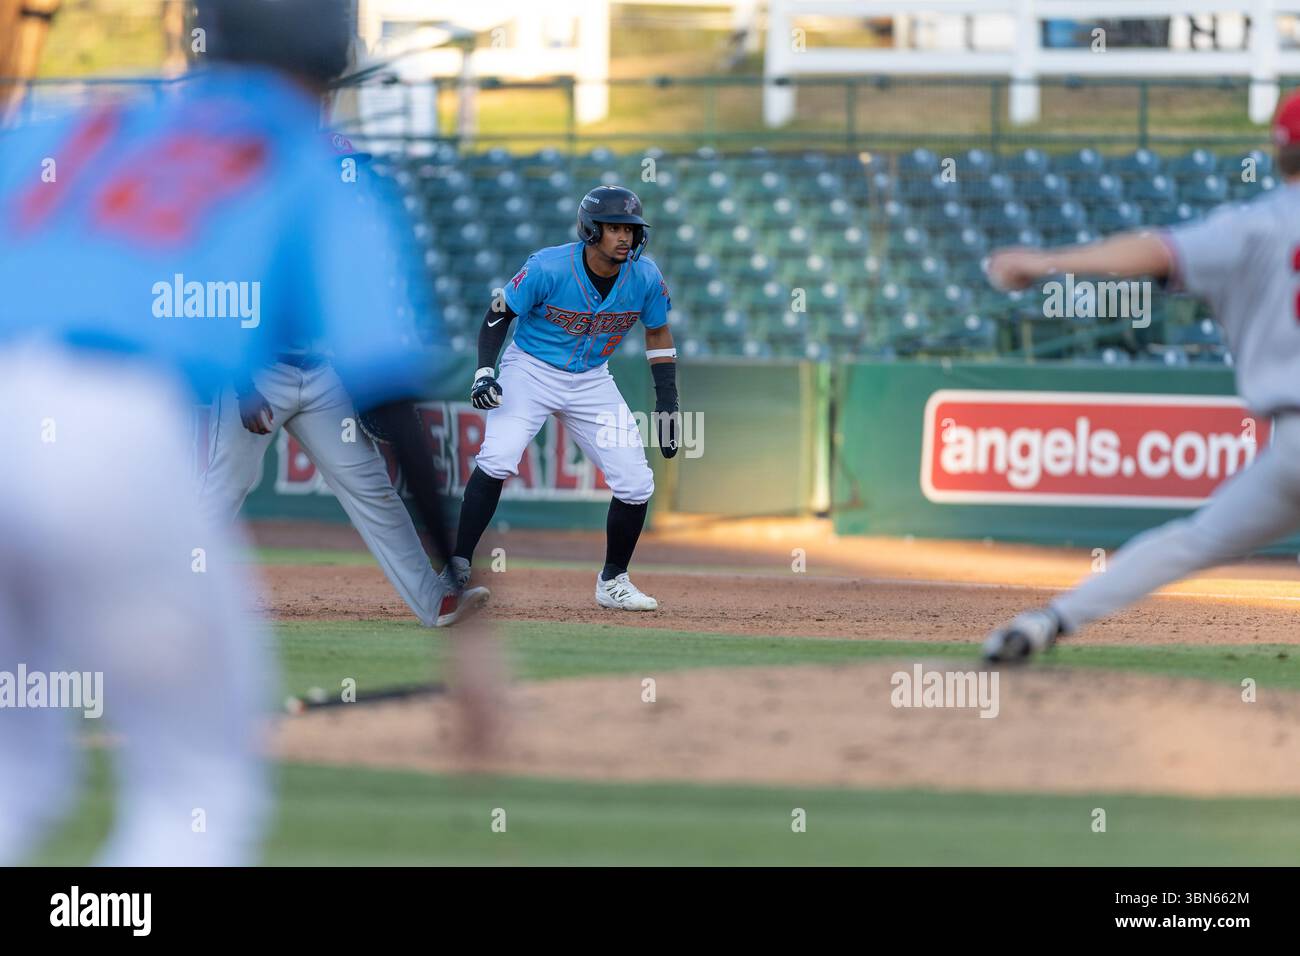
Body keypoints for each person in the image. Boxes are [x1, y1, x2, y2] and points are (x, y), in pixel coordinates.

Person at [0, 0, 490, 865]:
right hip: (114, 430)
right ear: (331, 69)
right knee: (197, 789)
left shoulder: (76, 124)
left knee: (15, 770)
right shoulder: (313, 164)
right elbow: (385, 387)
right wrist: (469, 579)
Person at [982, 90, 1300, 662]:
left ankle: (1045, 622)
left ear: (1279, 155)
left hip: (1291, 447)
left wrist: (1048, 262)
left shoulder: (1251, 228)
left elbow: (1152, 250)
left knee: (1193, 541)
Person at [198, 131, 487, 628]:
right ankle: (164, 595)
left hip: (322, 374)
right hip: (259, 376)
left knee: (372, 486)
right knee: (226, 487)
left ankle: (437, 601)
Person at [447, 185, 679, 611]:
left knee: (635, 482)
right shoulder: (548, 266)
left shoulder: (645, 275)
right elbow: (500, 312)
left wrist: (668, 402)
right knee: (498, 458)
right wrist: (484, 373)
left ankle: (613, 581)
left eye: (630, 228)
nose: (625, 237)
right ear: (591, 229)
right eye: (614, 228)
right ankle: (457, 566)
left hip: (591, 379)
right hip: (530, 369)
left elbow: (658, 331)